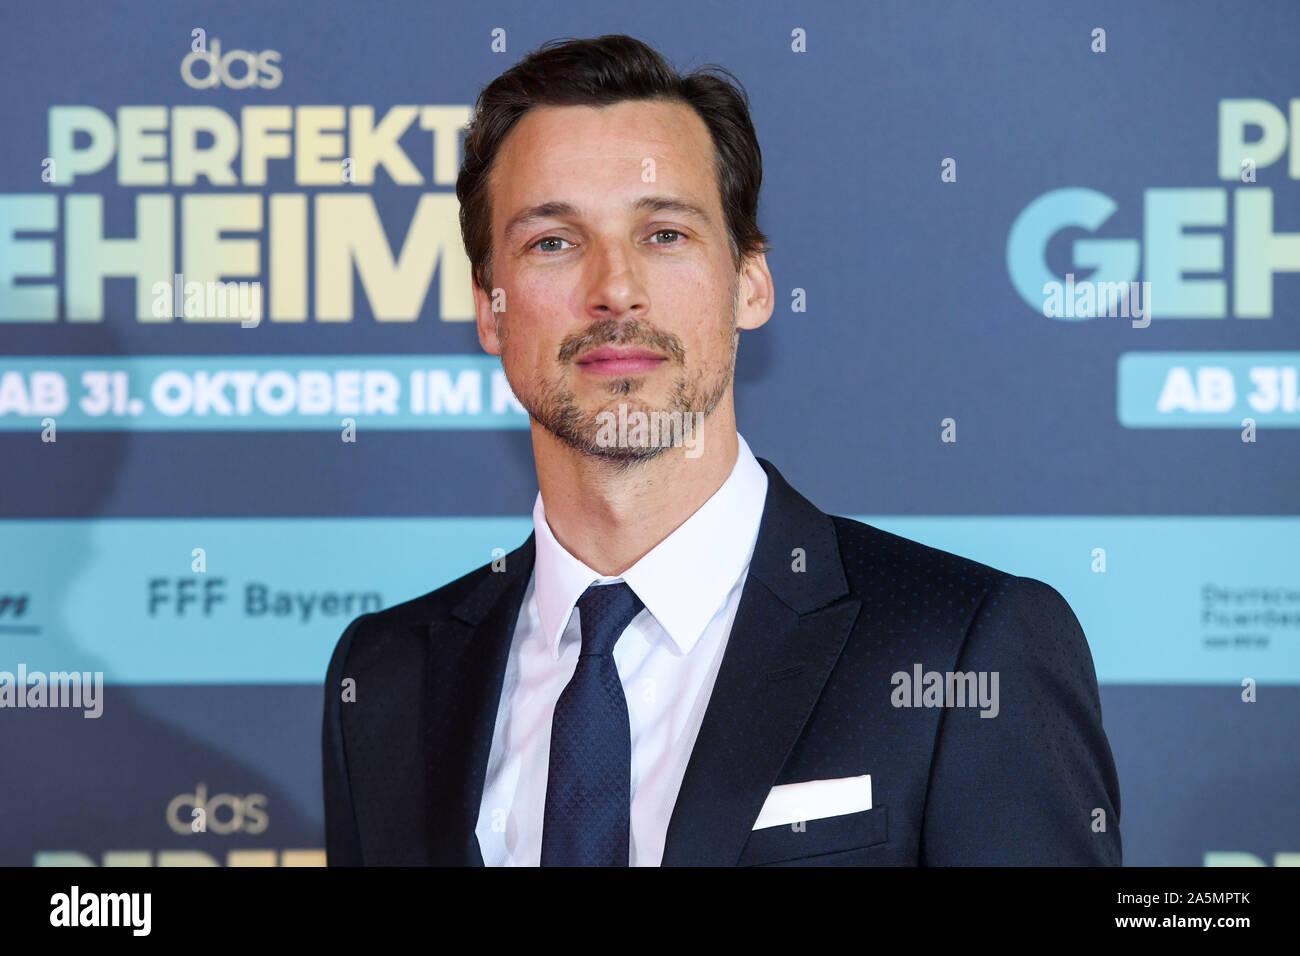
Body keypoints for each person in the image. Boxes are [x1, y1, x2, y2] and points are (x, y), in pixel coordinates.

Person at [321, 33, 1122, 866]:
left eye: (664, 234)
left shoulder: (964, 646)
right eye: (553, 242)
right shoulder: (384, 679)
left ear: (751, 284)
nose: (614, 290)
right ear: (491, 309)